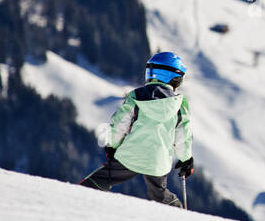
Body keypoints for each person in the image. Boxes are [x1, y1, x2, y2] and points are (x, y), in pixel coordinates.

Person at [80, 51, 194, 207]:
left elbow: (120, 124)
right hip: (158, 160)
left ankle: (76, 195)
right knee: (160, 193)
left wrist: (112, 145)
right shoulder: (179, 105)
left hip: (130, 155)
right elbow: (183, 136)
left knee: (102, 179)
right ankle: (179, 214)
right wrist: (186, 159)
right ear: (174, 77)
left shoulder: (137, 96)